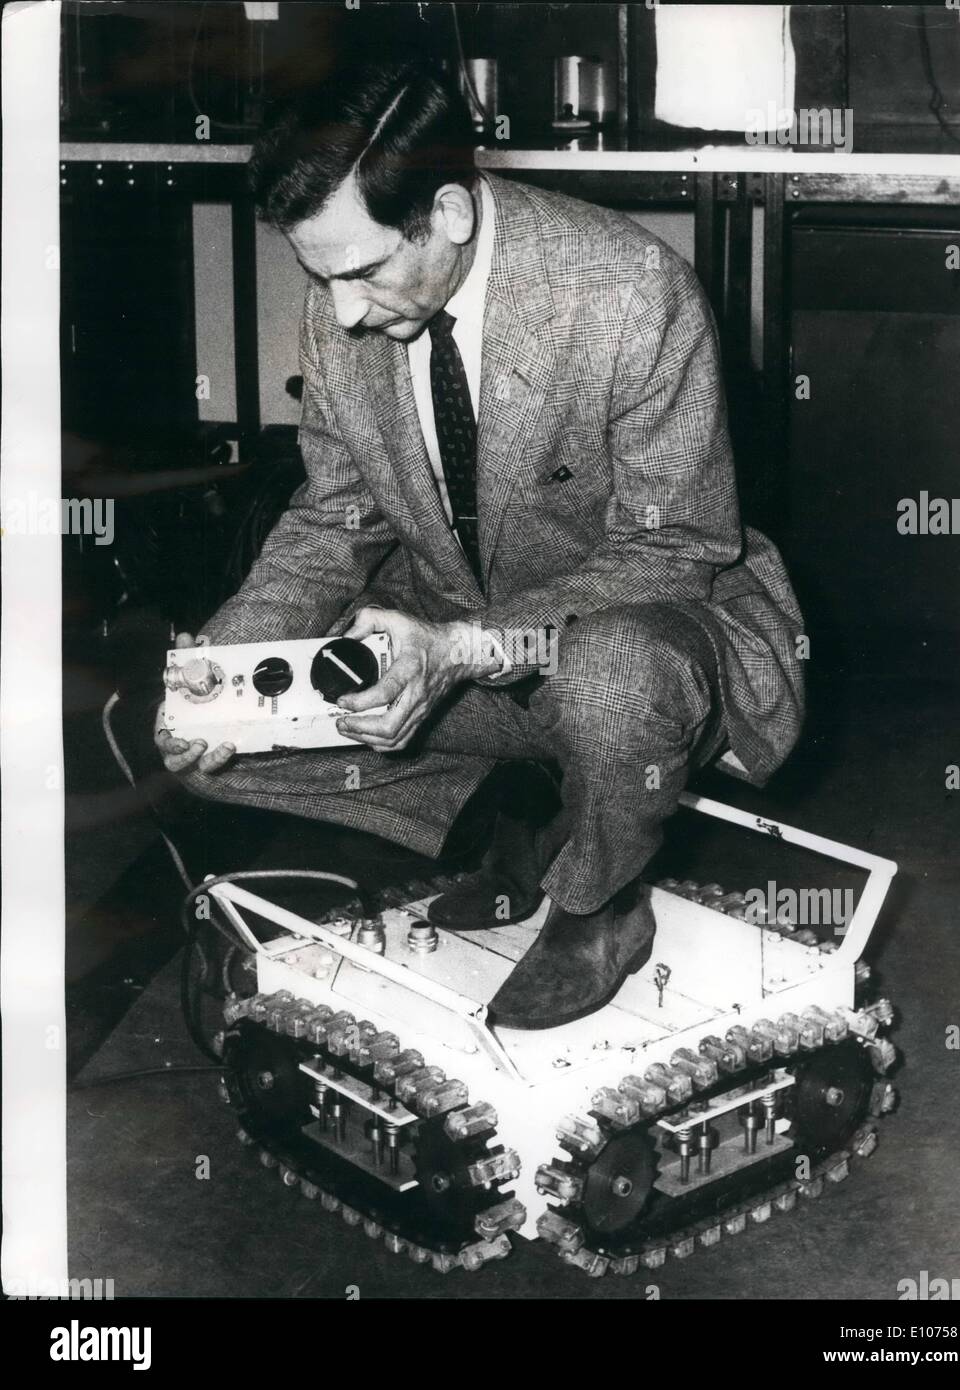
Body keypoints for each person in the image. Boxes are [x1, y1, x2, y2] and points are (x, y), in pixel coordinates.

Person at [155, 59, 805, 1030]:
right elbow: (335, 519)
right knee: (223, 736)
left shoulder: (630, 292)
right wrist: (221, 665)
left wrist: (462, 648)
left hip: (637, 639)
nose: (340, 315)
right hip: (454, 655)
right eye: (318, 277)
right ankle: (504, 820)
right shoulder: (348, 302)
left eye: (365, 271)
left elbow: (679, 545)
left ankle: (597, 903)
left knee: (612, 675)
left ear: (452, 211)